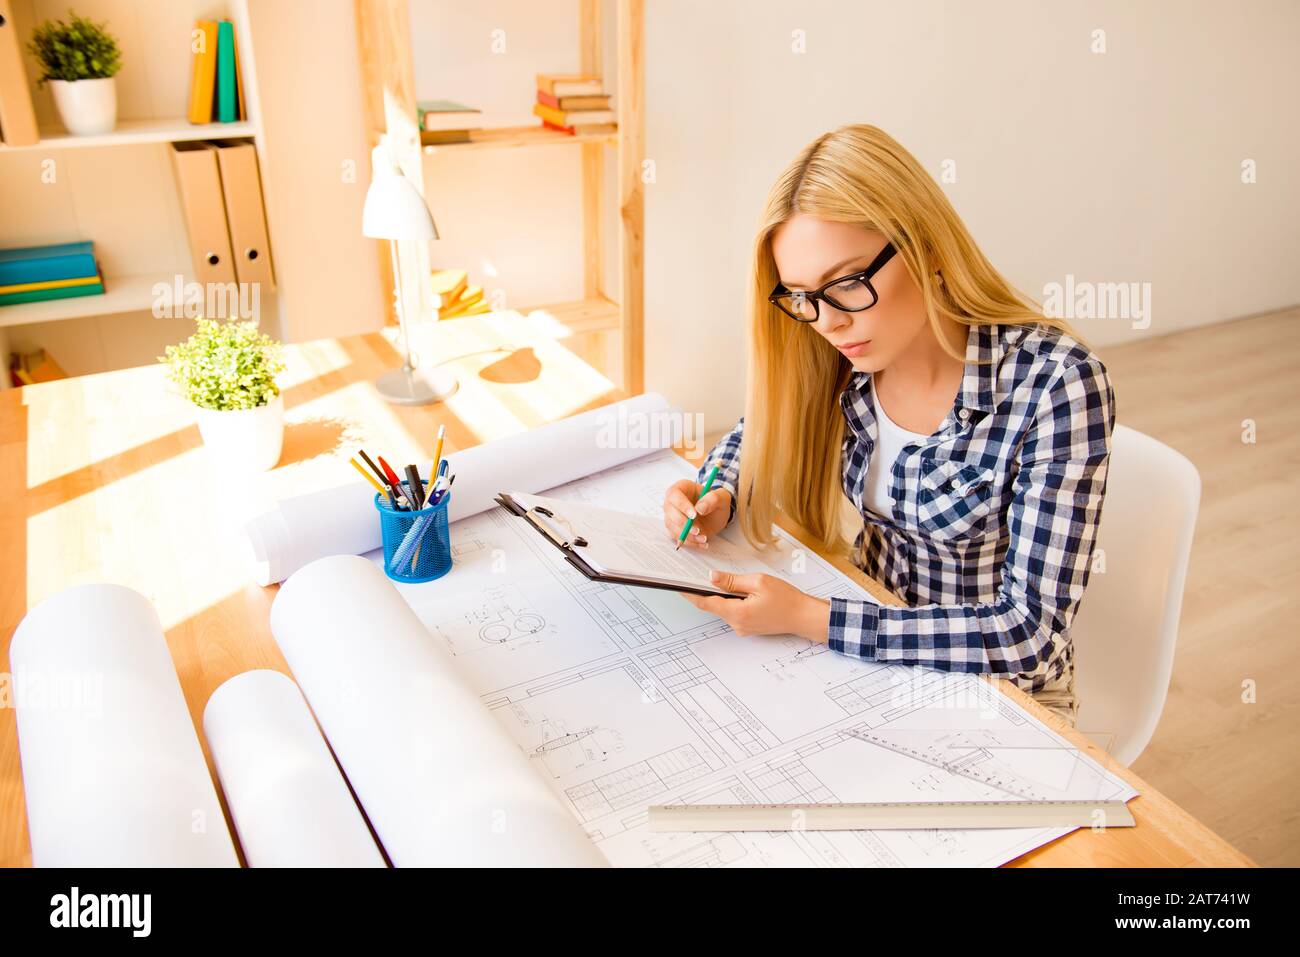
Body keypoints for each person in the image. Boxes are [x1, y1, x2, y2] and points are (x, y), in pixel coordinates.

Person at [662, 124, 1115, 725]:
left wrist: (810, 618)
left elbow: (1028, 633)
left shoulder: (1055, 381)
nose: (826, 321)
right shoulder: (843, 352)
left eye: (847, 282)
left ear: (924, 246)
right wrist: (718, 488)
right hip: (861, 653)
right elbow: (758, 433)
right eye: (801, 296)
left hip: (999, 694)